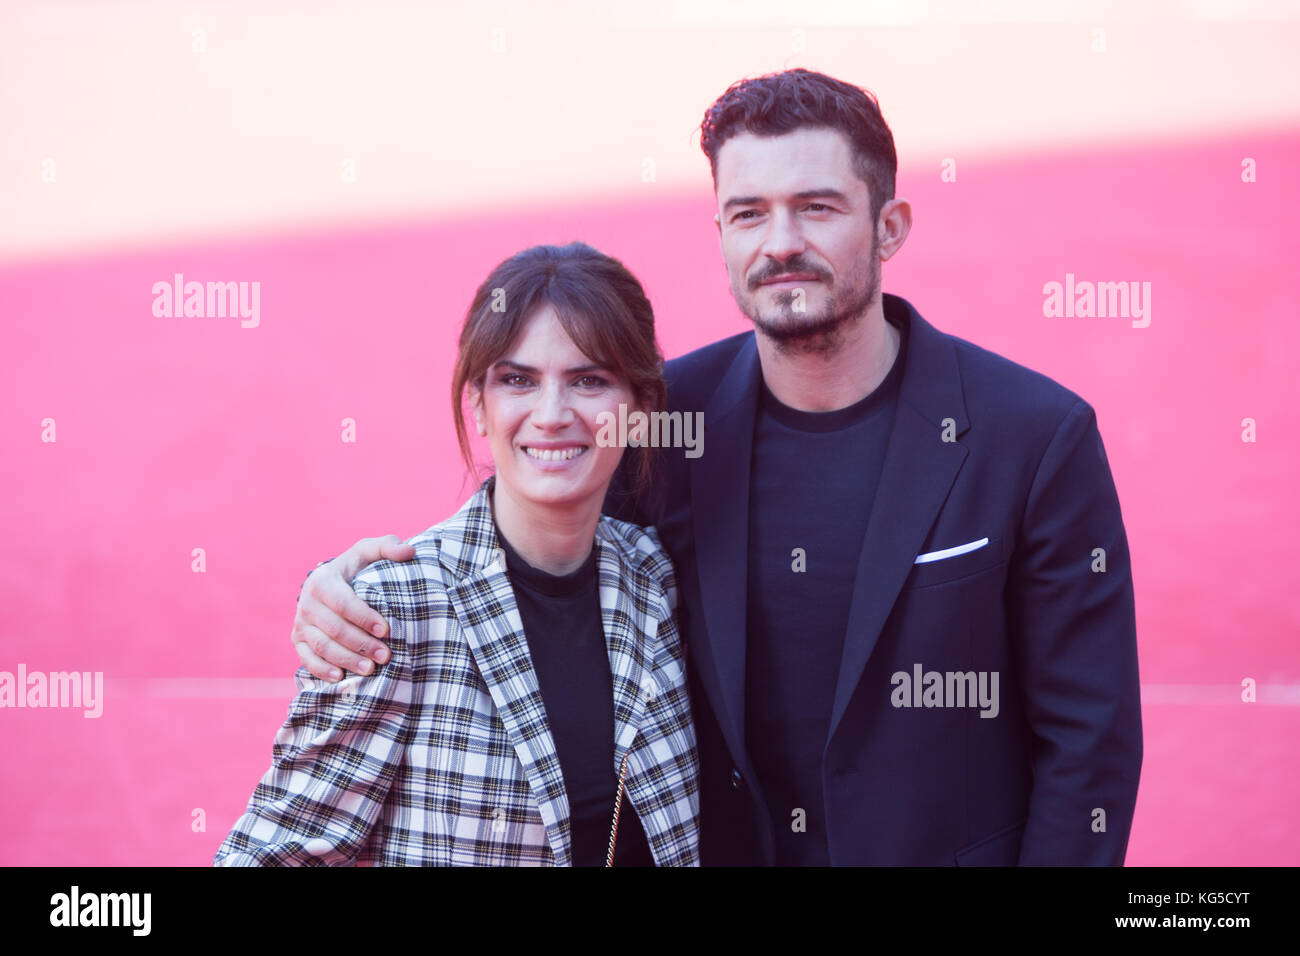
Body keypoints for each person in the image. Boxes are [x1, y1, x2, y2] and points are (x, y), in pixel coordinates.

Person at [290, 69, 1142, 866]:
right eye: (748, 213)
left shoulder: (1034, 435)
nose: (782, 243)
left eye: (816, 208)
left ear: (890, 226)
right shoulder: (668, 421)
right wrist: (356, 582)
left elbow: (1088, 737)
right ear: (722, 232)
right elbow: (543, 502)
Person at [215, 242, 699, 866]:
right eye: (518, 380)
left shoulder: (657, 579)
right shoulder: (395, 608)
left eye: (589, 380)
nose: (551, 415)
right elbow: (273, 855)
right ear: (479, 405)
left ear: (639, 411)